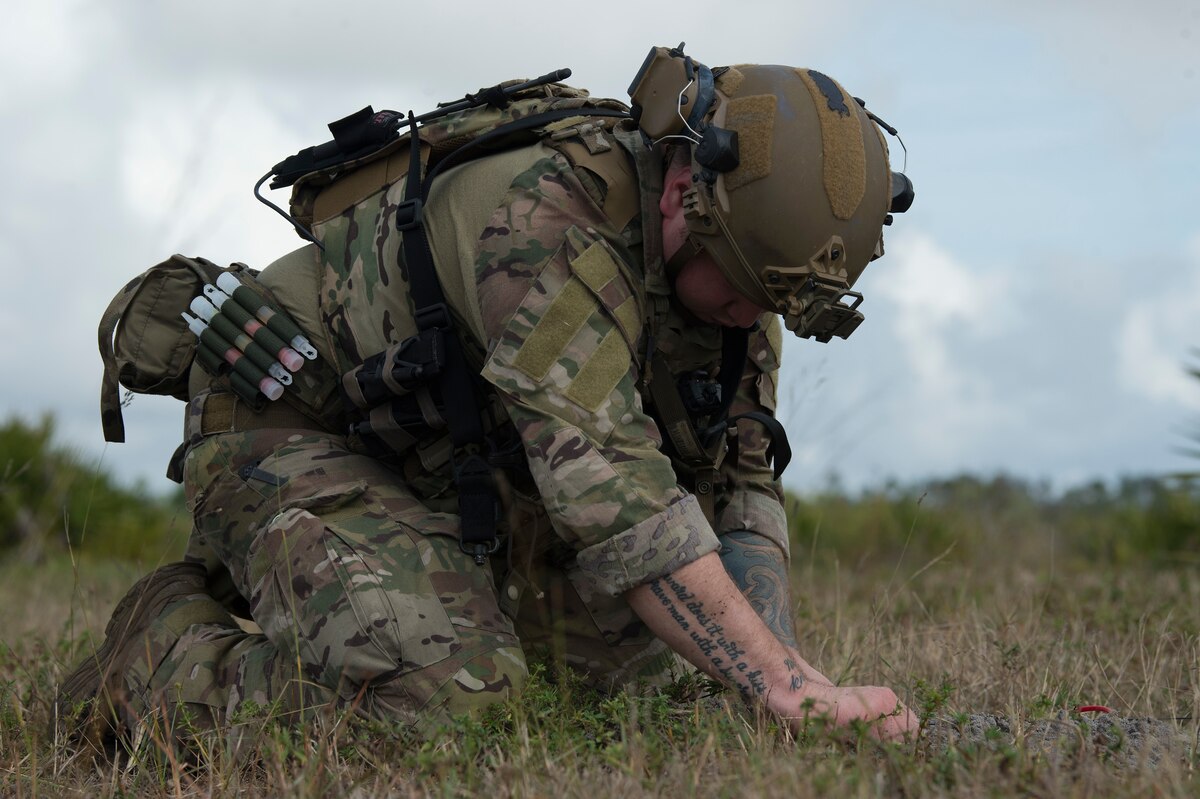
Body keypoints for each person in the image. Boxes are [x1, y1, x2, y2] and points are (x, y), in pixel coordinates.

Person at [62, 46, 918, 748]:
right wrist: (783, 684)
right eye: (738, 288)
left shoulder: (747, 281)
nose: (753, 317)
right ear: (679, 191)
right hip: (289, 424)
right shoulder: (545, 226)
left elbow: (740, 484)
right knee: (450, 708)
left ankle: (373, 586)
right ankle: (160, 655)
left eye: (770, 302)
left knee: (630, 703)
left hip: (455, 454)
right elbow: (619, 510)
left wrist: (784, 681)